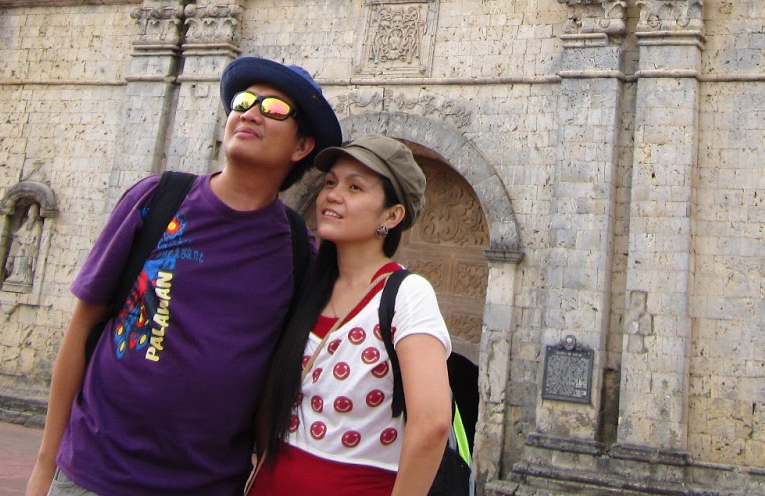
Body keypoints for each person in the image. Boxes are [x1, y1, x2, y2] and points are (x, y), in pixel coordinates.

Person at [26, 56, 341, 496]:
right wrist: (45, 463)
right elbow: (83, 324)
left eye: (273, 109)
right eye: (243, 102)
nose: (250, 113)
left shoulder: (296, 251)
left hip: (207, 484)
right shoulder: (158, 199)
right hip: (94, 471)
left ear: (301, 146)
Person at [249, 134, 452, 496]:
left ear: (392, 215)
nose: (332, 195)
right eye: (330, 183)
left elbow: (432, 423)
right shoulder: (309, 286)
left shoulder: (406, 294)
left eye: (354, 187)